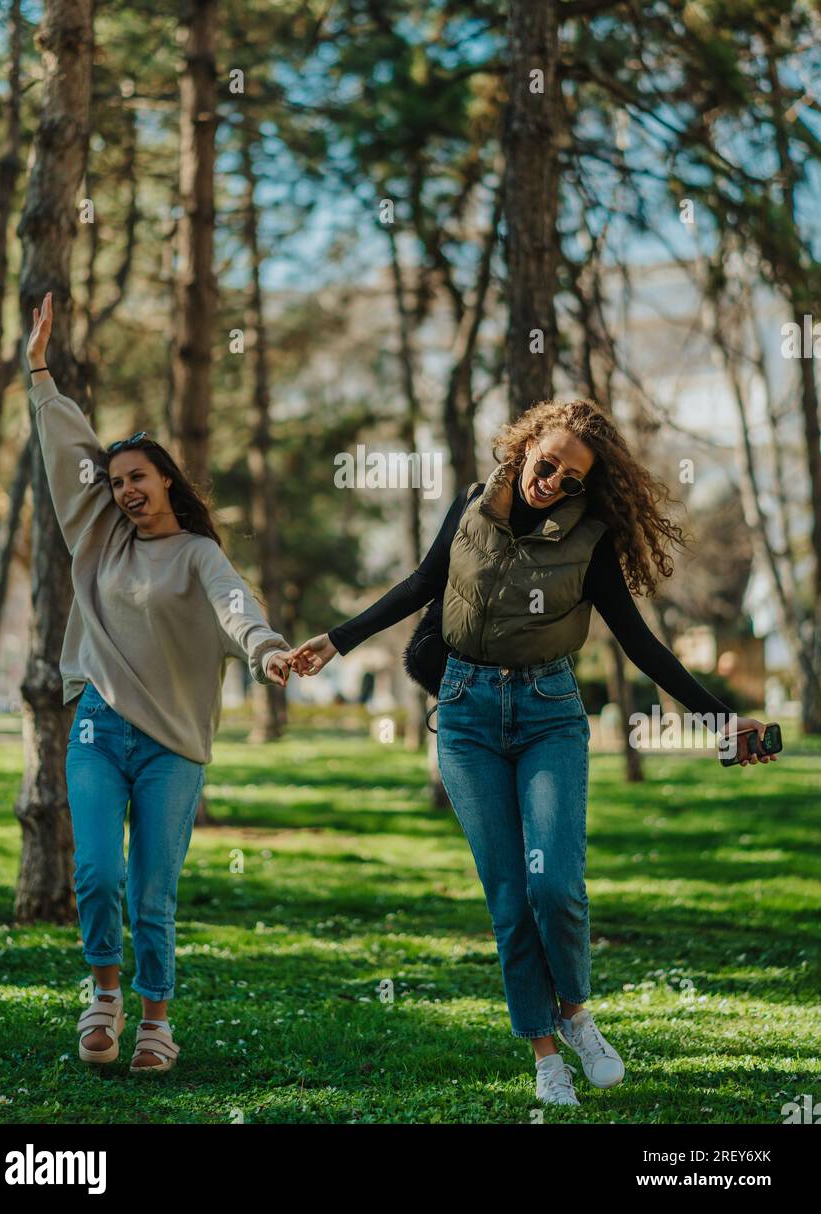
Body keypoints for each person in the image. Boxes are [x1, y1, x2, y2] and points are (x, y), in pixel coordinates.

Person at [290, 400, 775, 1107]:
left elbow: (641, 645)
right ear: (522, 450)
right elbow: (423, 586)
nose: (554, 482)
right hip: (466, 716)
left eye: (572, 479)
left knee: (555, 886)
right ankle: (545, 1056)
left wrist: (720, 722)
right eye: (547, 464)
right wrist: (335, 640)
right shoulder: (468, 507)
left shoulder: (590, 540)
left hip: (549, 715)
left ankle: (575, 1014)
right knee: (510, 898)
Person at [26, 292, 299, 1074]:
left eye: (138, 476)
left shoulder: (198, 557)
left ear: (168, 482)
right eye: (115, 482)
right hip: (97, 728)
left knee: (153, 888)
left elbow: (236, 605)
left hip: (172, 744)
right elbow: (66, 451)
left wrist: (268, 650)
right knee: (98, 871)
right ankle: (104, 996)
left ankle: (157, 1021)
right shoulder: (98, 539)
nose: (124, 490)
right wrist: (42, 371)